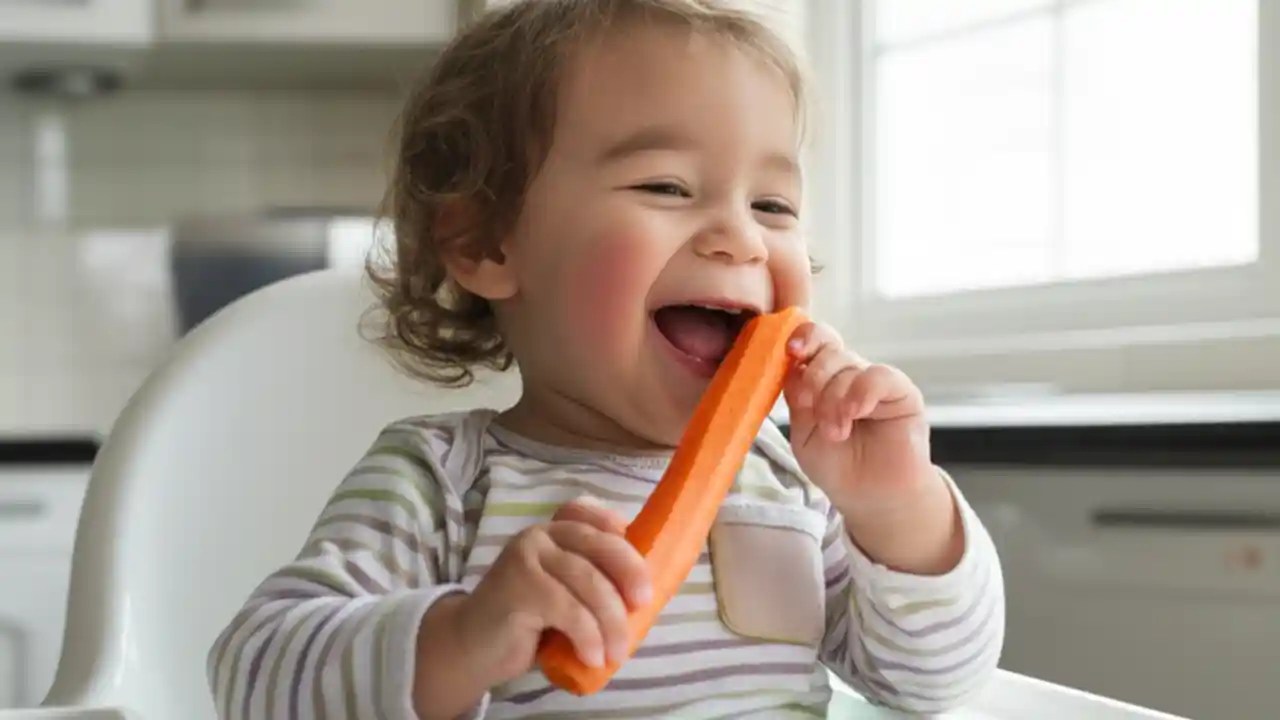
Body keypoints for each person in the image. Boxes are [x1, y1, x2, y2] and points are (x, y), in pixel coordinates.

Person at [207, 1, 1005, 717]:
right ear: (485, 242)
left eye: (773, 204)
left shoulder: (789, 480)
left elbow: (931, 683)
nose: (742, 237)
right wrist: (465, 634)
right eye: (665, 186)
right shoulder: (443, 478)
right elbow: (258, 674)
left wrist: (899, 510)